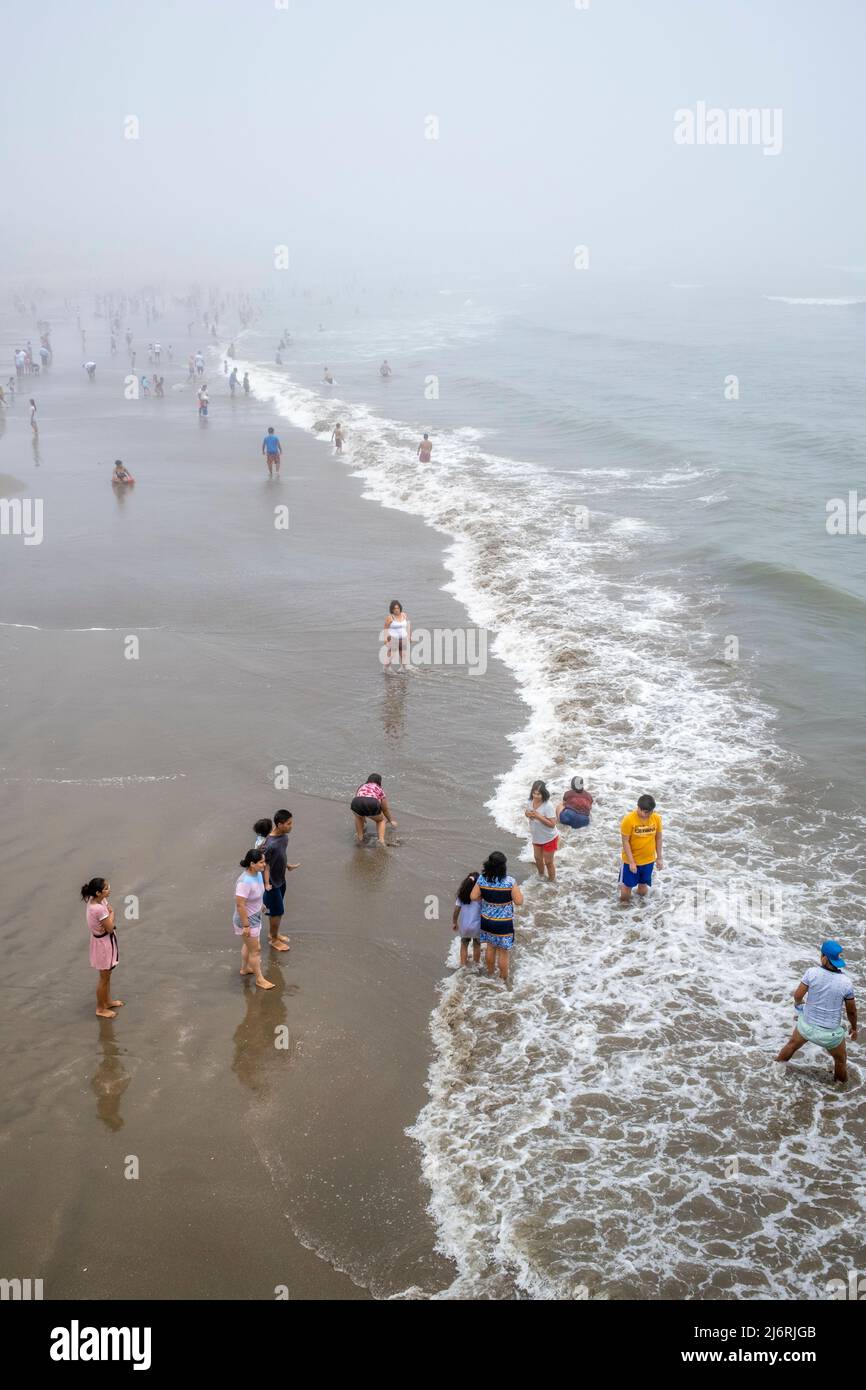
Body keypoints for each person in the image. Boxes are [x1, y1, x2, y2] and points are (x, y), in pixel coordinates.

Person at [776, 941, 857, 1084]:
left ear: (824, 958)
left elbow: (798, 996)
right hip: (830, 1035)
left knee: (791, 1045)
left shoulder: (811, 973)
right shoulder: (846, 983)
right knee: (840, 1060)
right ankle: (840, 1089)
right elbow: (851, 1011)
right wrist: (854, 1028)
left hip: (806, 1028)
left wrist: (799, 1006)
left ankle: (775, 1071)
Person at [470, 852, 523, 982]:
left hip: (487, 920)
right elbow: (519, 901)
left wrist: (485, 896)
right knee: (503, 952)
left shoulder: (482, 879)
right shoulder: (510, 881)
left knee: (490, 947)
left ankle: (490, 973)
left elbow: (473, 897)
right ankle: (503, 979)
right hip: (503, 924)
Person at [81, 877, 123, 1019]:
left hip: (102, 940)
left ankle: (107, 1001)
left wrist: (109, 914)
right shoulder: (98, 909)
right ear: (98, 893)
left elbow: (107, 912)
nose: (109, 889)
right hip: (103, 944)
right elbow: (110, 928)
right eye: (106, 888)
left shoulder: (98, 900)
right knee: (104, 978)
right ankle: (100, 1008)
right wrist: (112, 913)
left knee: (107, 975)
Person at [233, 850, 275, 990]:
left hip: (255, 915)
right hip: (247, 920)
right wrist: (246, 925)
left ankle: (245, 969)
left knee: (249, 945)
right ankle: (259, 979)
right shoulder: (244, 882)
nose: (264, 865)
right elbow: (240, 905)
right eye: (261, 862)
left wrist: (260, 905)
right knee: (256, 950)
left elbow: (256, 893)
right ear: (252, 864)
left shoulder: (257, 874)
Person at [263, 811, 299, 952]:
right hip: (271, 883)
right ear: (279, 824)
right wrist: (266, 884)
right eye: (288, 823)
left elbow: (280, 856)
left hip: (281, 878)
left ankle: (274, 933)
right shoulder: (268, 844)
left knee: (276, 911)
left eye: (291, 822)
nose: (292, 826)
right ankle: (273, 940)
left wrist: (287, 865)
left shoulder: (284, 838)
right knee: (277, 911)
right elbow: (263, 864)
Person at [619, 794, 662, 901]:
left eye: (651, 812)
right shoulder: (628, 820)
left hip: (648, 860)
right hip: (631, 861)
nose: (648, 815)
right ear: (638, 807)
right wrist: (631, 861)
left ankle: (640, 911)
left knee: (643, 887)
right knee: (626, 888)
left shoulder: (656, 818)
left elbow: (659, 838)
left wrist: (659, 858)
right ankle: (623, 910)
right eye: (645, 812)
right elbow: (625, 842)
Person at [525, 779, 558, 880]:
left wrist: (538, 816)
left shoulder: (548, 806)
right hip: (537, 837)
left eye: (538, 794)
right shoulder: (530, 802)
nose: (535, 796)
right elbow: (526, 812)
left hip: (549, 838)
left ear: (543, 793)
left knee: (548, 862)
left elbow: (552, 824)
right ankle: (541, 878)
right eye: (534, 793)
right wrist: (528, 814)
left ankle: (552, 882)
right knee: (538, 859)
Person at [350, 774, 396, 846]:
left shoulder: (362, 786)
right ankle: (381, 841)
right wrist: (391, 820)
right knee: (381, 820)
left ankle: (360, 838)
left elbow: (359, 797)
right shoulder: (379, 788)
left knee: (358, 817)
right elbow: (385, 809)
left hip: (356, 802)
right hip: (371, 802)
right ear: (379, 782)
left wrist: (362, 816)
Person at [452, 871, 481, 969]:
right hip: (477, 926)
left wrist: (454, 922)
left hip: (465, 926)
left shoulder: (462, 895)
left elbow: (456, 910)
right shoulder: (480, 897)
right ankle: (476, 964)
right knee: (477, 945)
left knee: (464, 944)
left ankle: (463, 965)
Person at [383, 599, 410, 668]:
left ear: (400, 608)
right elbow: (385, 627)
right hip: (393, 639)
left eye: (398, 608)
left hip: (403, 639)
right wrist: (385, 639)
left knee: (404, 658)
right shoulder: (390, 618)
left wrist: (409, 636)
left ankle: (404, 671)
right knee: (390, 658)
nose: (396, 610)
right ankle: (385, 671)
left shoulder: (404, 615)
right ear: (392, 610)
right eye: (394, 608)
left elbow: (407, 625)